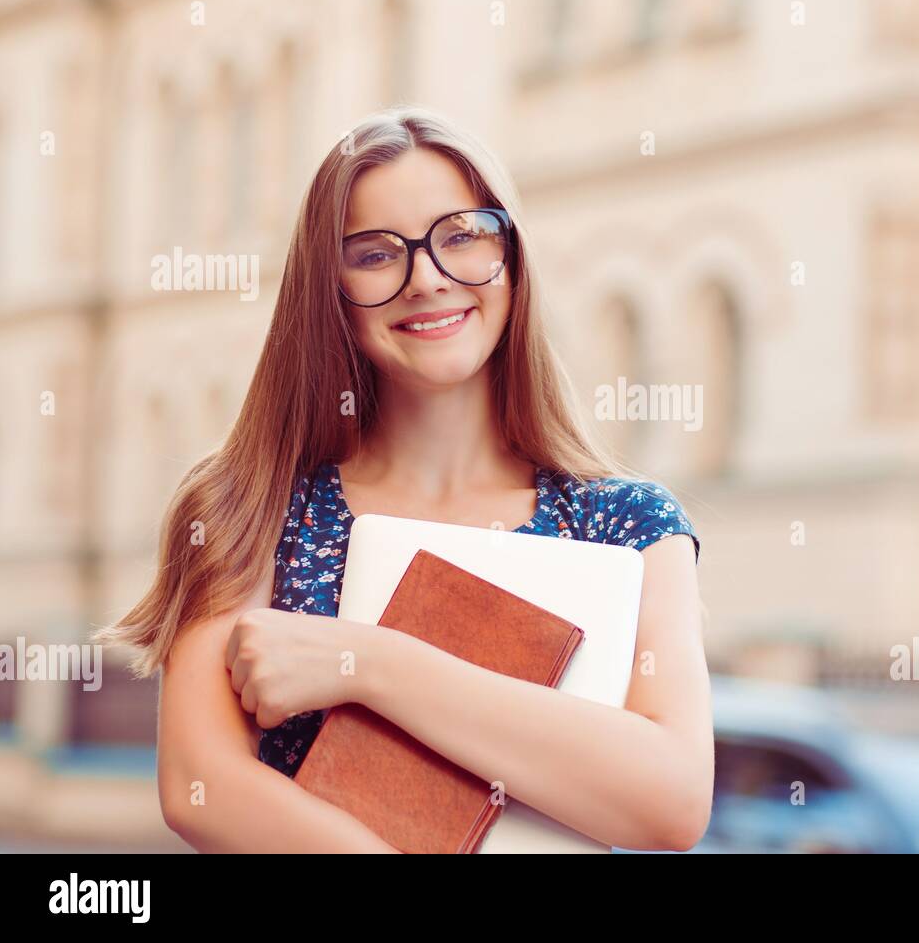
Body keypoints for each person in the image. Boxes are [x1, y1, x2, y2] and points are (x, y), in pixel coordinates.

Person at [96, 107, 714, 853]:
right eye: (376, 253)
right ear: (330, 290)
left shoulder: (630, 522)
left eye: (462, 236)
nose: (426, 277)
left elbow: (672, 802)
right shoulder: (245, 503)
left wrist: (366, 662)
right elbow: (201, 788)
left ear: (512, 261)